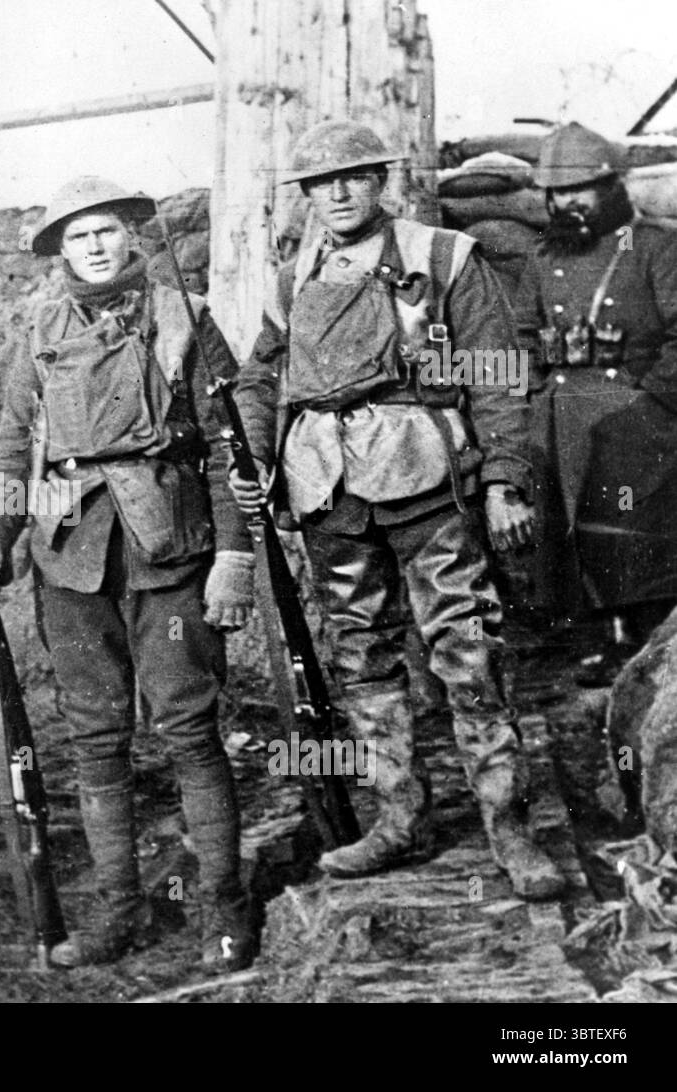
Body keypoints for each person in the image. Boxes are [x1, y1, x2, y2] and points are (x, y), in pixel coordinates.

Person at [231, 120, 566, 900]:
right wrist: (253, 454)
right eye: (322, 183)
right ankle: (400, 817)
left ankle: (508, 826)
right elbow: (257, 378)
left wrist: (504, 478)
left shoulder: (442, 256)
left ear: (381, 182)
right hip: (328, 490)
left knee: (468, 650)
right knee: (362, 657)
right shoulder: (293, 279)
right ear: (308, 196)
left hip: (424, 479)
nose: (338, 194)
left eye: (353, 177)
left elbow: (496, 371)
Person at [0, 176, 256, 969]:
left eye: (105, 231)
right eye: (76, 236)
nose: (93, 247)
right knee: (94, 741)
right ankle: (118, 906)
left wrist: (234, 555)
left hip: (167, 549)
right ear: (59, 251)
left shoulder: (181, 319)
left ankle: (224, 906)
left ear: (132, 237)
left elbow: (231, 444)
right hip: (68, 555)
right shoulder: (38, 329)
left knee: (190, 732)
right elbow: (14, 442)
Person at [514, 121, 677, 687]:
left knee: (635, 530)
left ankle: (647, 647)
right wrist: (532, 403)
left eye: (578, 189)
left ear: (611, 187)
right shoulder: (542, 256)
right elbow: (526, 336)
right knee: (575, 535)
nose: (566, 203)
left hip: (637, 416)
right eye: (556, 193)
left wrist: (651, 406)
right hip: (563, 415)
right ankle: (605, 640)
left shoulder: (653, 244)